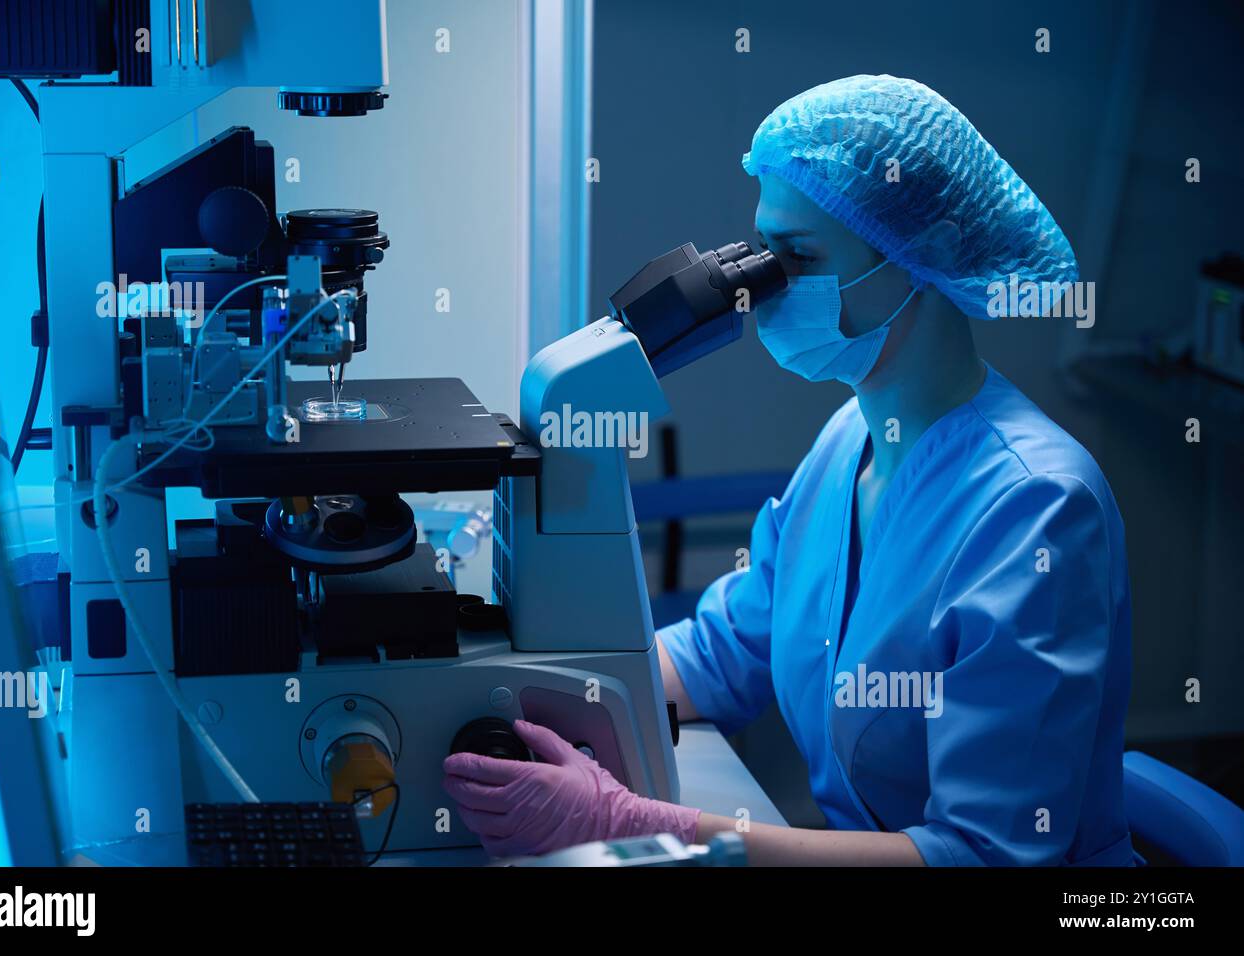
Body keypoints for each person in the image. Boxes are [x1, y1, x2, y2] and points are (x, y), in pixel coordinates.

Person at [442, 75, 1133, 866]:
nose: (763, 291)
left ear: (930, 251)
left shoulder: (1036, 508)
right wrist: (504, 694)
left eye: (797, 257)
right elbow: (724, 651)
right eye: (763, 252)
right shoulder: (851, 442)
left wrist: (630, 823)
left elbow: (981, 857)